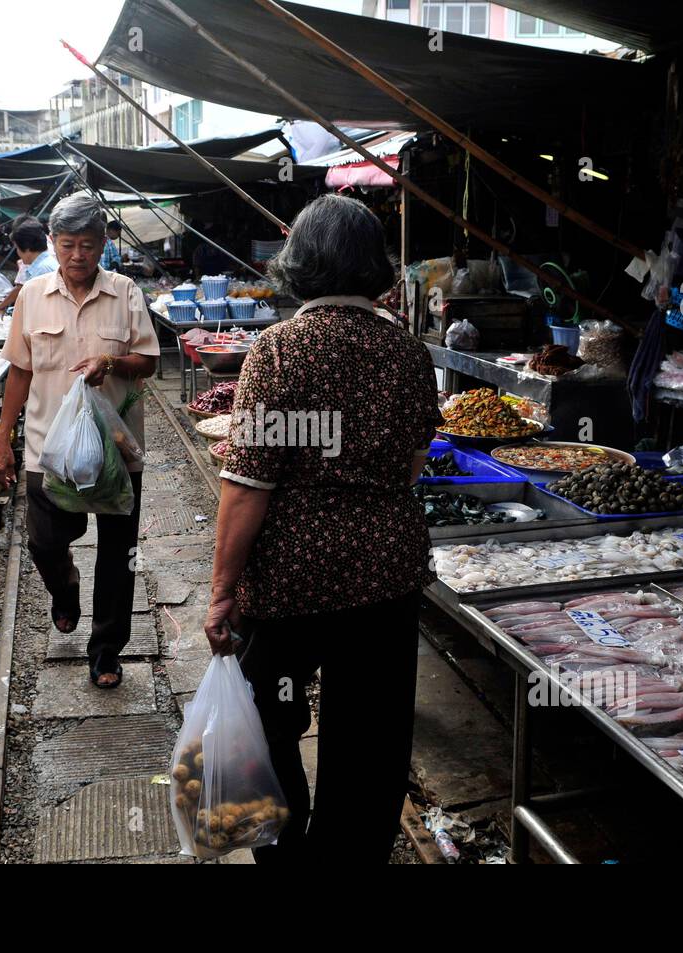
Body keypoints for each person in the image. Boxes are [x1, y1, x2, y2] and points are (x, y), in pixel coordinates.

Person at [203, 194, 442, 863]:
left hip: (290, 581)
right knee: (370, 736)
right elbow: (412, 464)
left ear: (298, 266)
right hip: (385, 578)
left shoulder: (278, 350)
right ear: (376, 269)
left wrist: (222, 589)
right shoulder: (408, 352)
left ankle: (283, 846)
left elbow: (246, 486)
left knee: (268, 717)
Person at [0, 194, 160, 689]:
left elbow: (148, 361)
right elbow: (20, 371)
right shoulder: (32, 295)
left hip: (117, 449)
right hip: (49, 446)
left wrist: (110, 363)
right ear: (53, 243)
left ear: (104, 243)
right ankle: (65, 591)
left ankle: (106, 649)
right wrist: (3, 438)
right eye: (67, 245)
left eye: (88, 245)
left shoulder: (125, 292)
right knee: (44, 542)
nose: (78, 255)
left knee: (117, 554)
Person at [0, 215, 57, 319]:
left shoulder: (41, 271)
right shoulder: (41, 265)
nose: (18, 253)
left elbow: (40, 310)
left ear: (27, 249)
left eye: (18, 249)